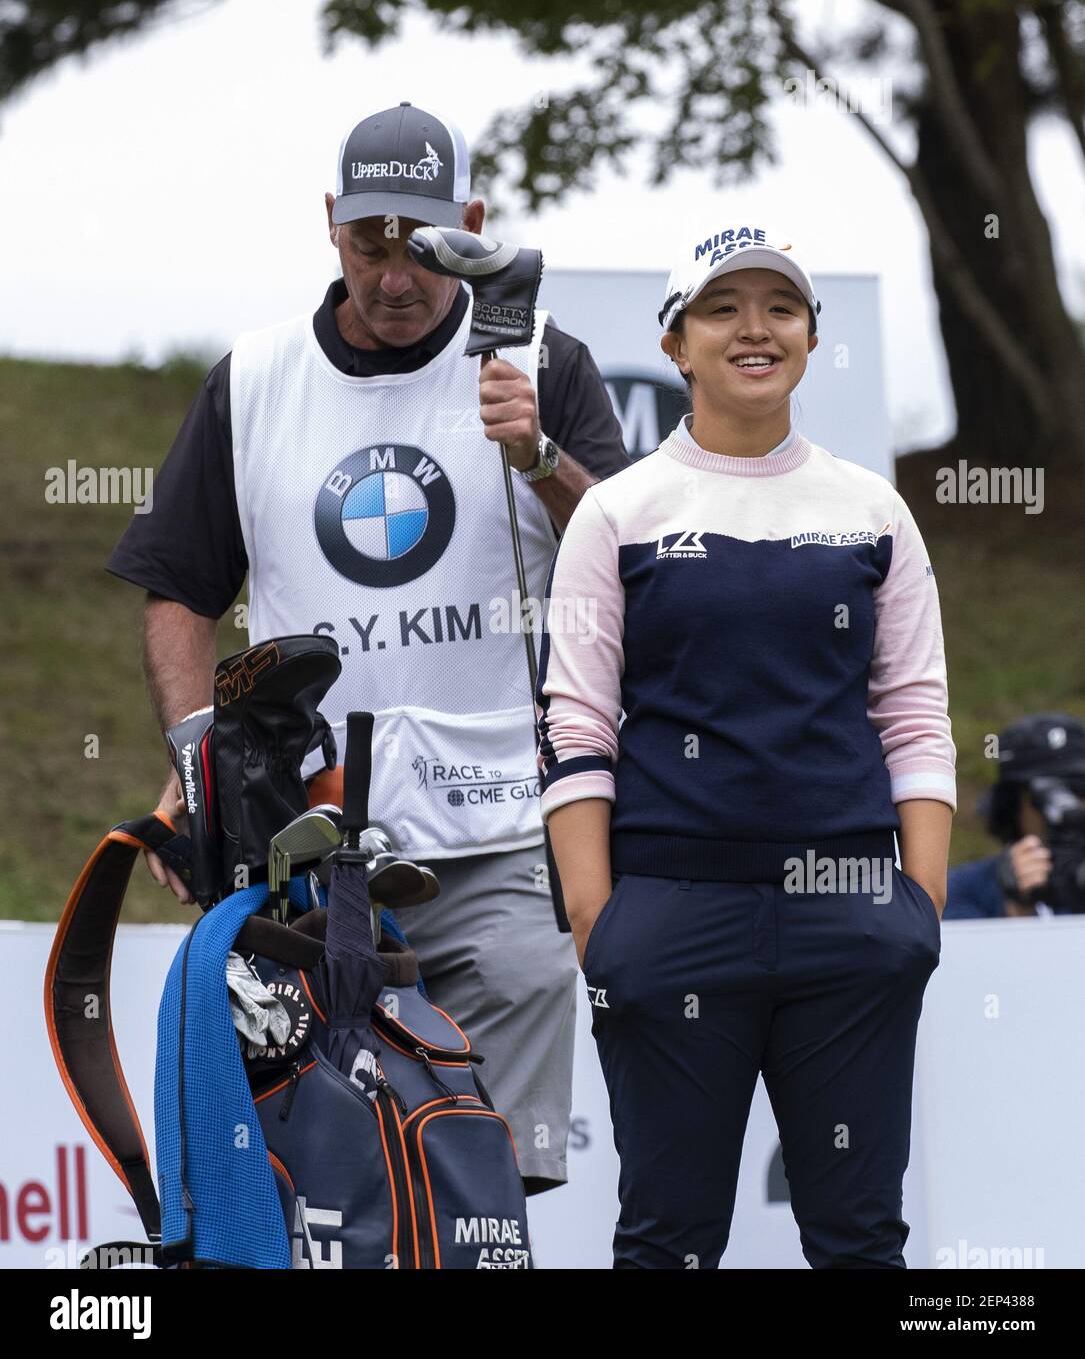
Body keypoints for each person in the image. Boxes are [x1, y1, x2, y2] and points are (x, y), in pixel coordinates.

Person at [106, 101, 631, 1195]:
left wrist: (538, 455)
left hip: (496, 835)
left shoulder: (539, 359)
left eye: (422, 243)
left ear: (472, 224)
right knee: (328, 1173)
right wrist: (201, 755)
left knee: (488, 1178)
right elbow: (178, 588)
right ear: (330, 224)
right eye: (368, 240)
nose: (394, 273)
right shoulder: (253, 378)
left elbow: (628, 563)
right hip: (309, 842)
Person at [535, 223, 956, 1267]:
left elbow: (911, 712)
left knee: (859, 1239)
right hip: (671, 914)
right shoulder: (615, 513)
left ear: (810, 338)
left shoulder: (872, 511)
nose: (753, 328)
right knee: (668, 1241)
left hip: (853, 919)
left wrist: (919, 905)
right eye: (721, 308)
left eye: (779, 308)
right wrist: (599, 921)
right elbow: (576, 723)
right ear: (676, 343)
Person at [946, 712, 1085, 919]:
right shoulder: (961, 891)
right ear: (1012, 804)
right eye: (1044, 797)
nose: (1070, 808)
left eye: (1079, 789)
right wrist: (1016, 912)